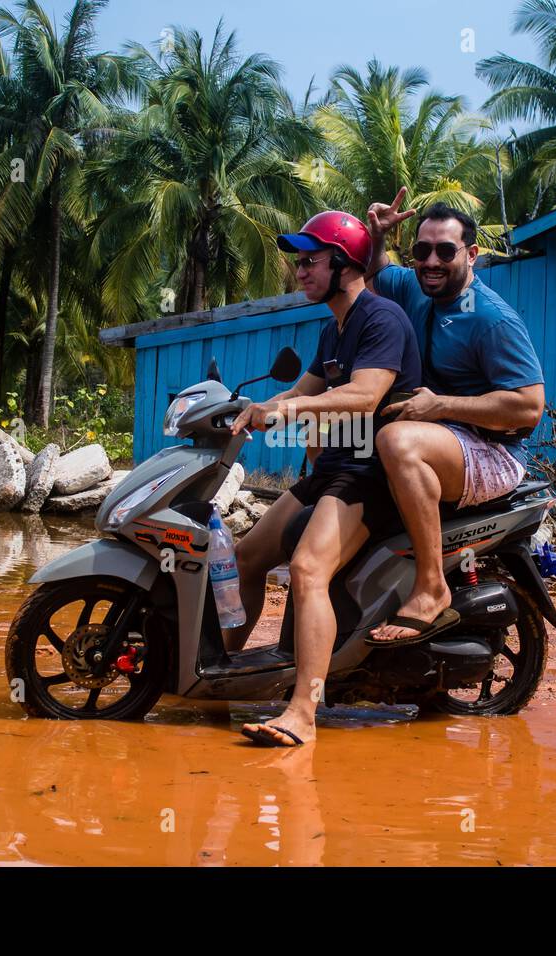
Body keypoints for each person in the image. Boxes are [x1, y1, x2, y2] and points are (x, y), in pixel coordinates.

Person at [228, 210, 421, 746]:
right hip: (333, 468)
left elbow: (364, 395)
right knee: (246, 556)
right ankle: (224, 670)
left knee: (306, 570)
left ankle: (302, 715)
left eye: (310, 260)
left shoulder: (380, 319)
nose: (299, 271)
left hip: (370, 474)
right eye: (298, 261)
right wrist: (248, 408)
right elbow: (298, 392)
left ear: (345, 264)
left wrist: (293, 412)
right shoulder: (333, 328)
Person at [363, 188, 546, 646]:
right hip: (440, 441)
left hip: (492, 452)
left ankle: (431, 586)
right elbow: (376, 273)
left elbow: (529, 406)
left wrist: (441, 405)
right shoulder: (417, 289)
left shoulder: (491, 319)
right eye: (421, 251)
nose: (431, 261)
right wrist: (377, 237)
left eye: (446, 251)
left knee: (396, 441)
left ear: (472, 254)